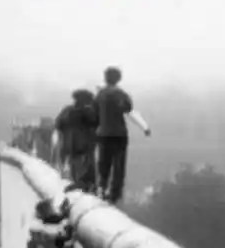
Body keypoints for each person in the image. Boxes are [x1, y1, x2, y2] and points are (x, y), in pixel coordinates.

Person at [94, 67, 151, 204]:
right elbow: (129, 111)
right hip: (119, 134)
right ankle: (114, 194)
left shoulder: (99, 95)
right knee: (119, 164)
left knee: (104, 162)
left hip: (103, 134)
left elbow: (94, 114)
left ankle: (101, 187)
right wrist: (145, 127)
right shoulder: (122, 95)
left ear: (105, 77)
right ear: (118, 79)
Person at [52, 89, 99, 191]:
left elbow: (58, 125)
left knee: (75, 174)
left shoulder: (67, 111)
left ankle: (79, 187)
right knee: (86, 177)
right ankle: (86, 188)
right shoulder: (89, 113)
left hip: (70, 150)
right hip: (84, 150)